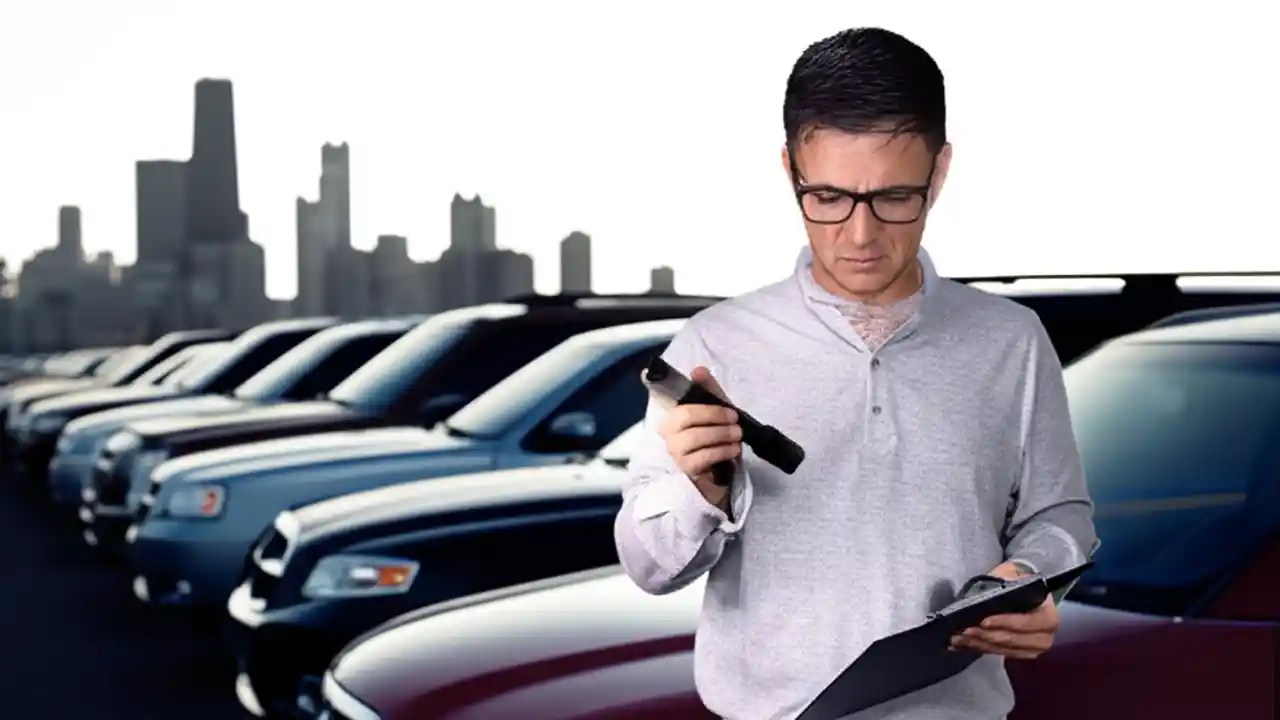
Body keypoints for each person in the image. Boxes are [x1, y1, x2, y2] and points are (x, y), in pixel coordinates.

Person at [613, 26, 1098, 720]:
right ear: (790, 170)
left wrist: (1033, 580)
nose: (861, 235)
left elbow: (1059, 516)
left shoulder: (1011, 340)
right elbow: (649, 566)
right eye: (830, 198)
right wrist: (702, 489)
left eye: (895, 197)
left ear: (940, 171)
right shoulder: (714, 346)